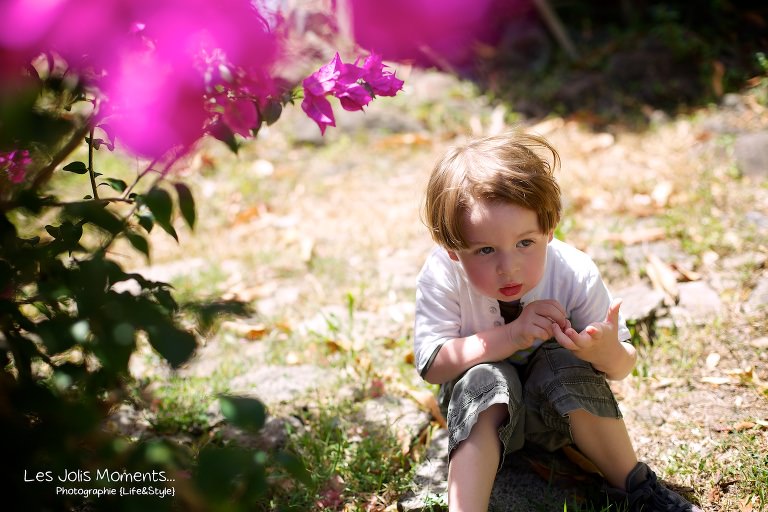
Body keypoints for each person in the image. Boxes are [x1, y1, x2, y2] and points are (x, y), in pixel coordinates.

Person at [413, 131, 701, 512]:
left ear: (549, 230)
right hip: (482, 421)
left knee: (563, 364)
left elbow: (623, 365)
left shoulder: (573, 272)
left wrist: (606, 349)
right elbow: (433, 366)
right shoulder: (442, 276)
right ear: (452, 250)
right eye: (485, 250)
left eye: (525, 243)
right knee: (483, 380)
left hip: (561, 422)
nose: (508, 266)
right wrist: (512, 334)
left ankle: (636, 488)